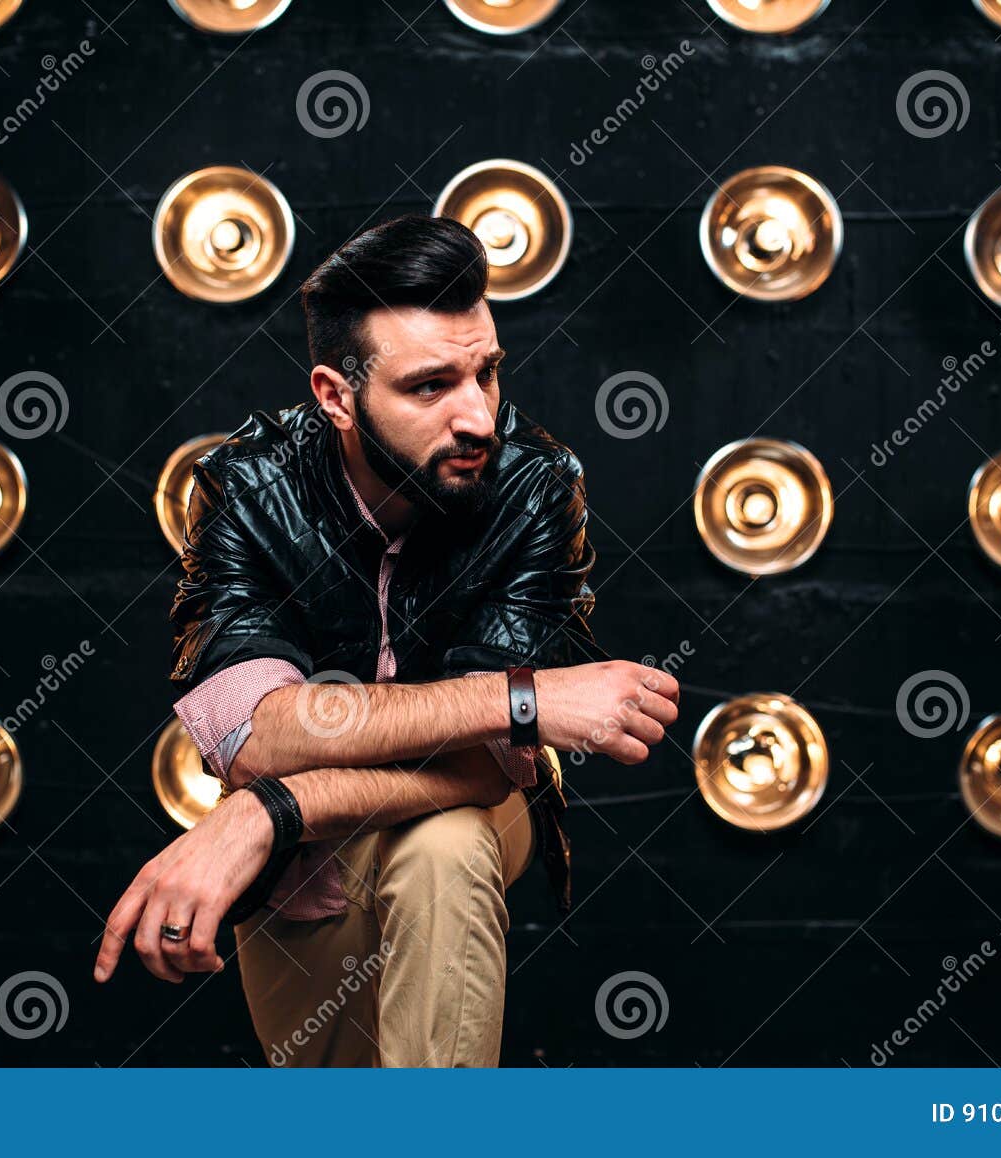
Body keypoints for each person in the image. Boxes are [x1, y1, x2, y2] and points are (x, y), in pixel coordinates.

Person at [93, 213, 679, 1066]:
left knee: (444, 848)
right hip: (303, 875)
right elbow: (260, 733)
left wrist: (270, 811)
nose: (478, 416)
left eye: (486, 373)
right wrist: (520, 700)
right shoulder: (246, 486)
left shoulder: (536, 488)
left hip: (453, 815)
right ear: (335, 394)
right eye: (430, 386)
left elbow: (491, 765)